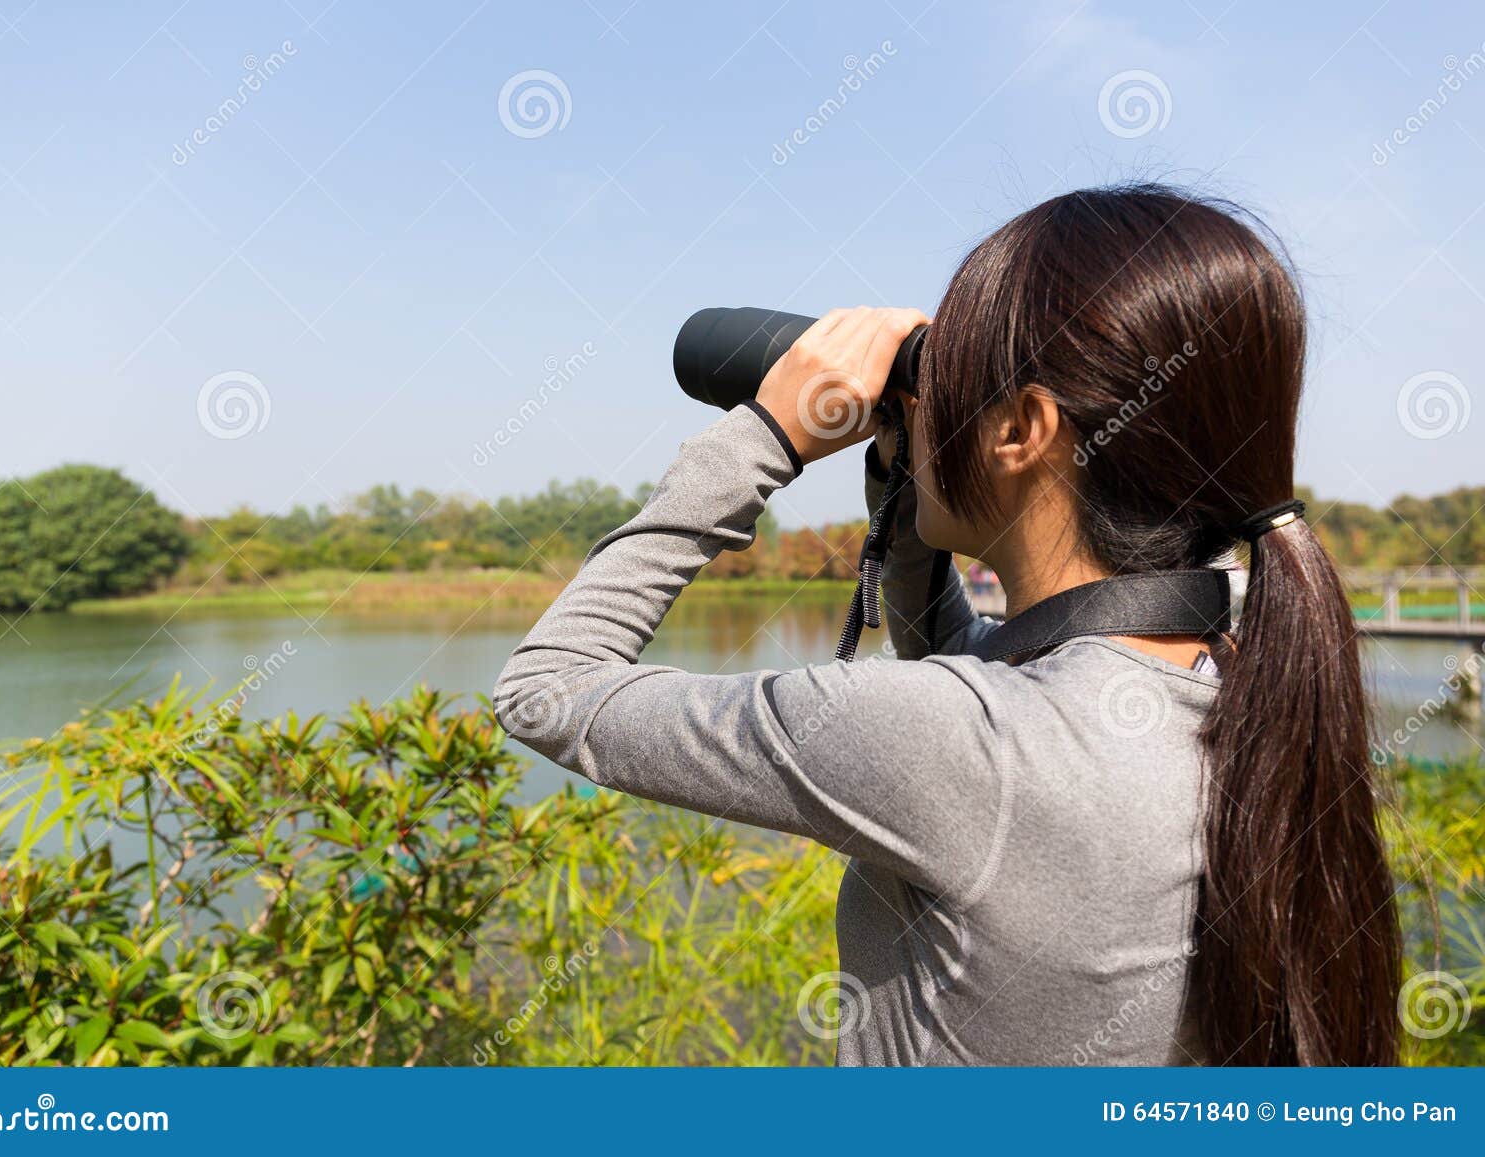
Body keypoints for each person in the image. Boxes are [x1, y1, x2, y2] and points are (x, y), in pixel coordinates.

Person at [494, 184, 1400, 1066]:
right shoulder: (1250, 686)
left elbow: (548, 689)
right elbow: (983, 679)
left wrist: (766, 435)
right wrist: (907, 479)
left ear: (1020, 430)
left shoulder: (960, 746)